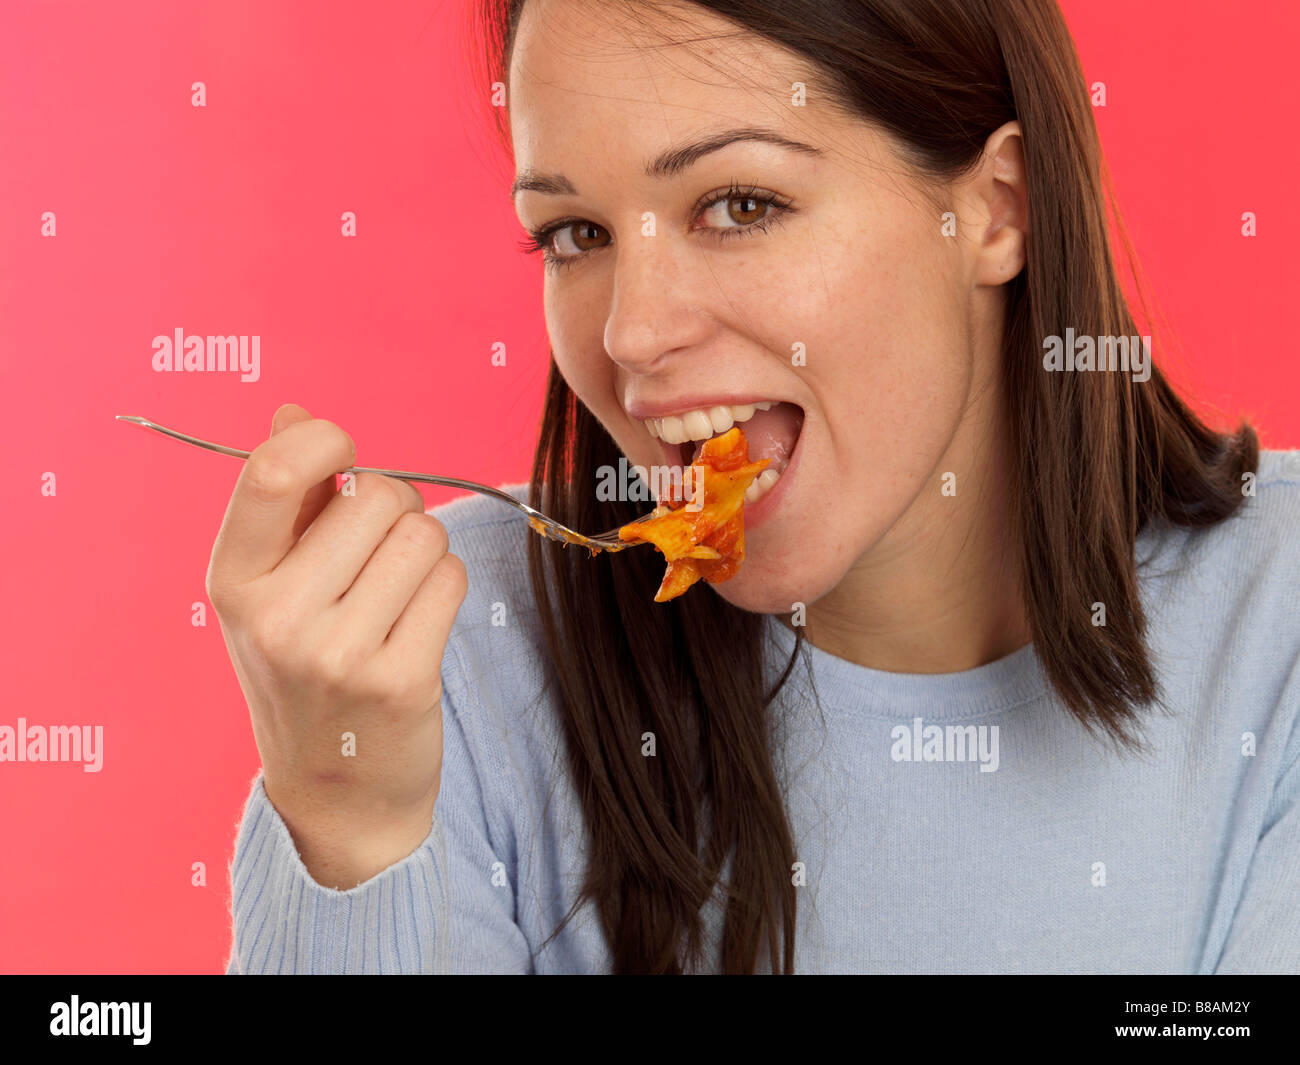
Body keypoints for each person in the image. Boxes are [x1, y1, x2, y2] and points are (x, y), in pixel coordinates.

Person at [217, 0, 1300, 973]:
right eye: (576, 234)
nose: (631, 335)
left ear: (998, 209)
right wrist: (348, 832)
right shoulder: (431, 668)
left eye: (738, 205)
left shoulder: (1278, 625)